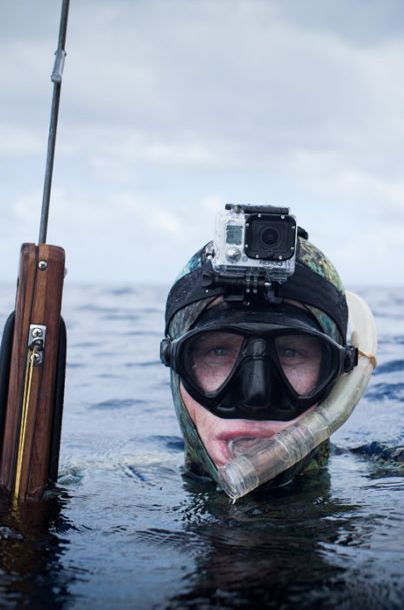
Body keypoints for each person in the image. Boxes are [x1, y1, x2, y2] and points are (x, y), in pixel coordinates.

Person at [160, 204, 375, 497]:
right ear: (176, 366)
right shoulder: (97, 487)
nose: (255, 397)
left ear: (339, 373)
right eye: (218, 352)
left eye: (291, 353)